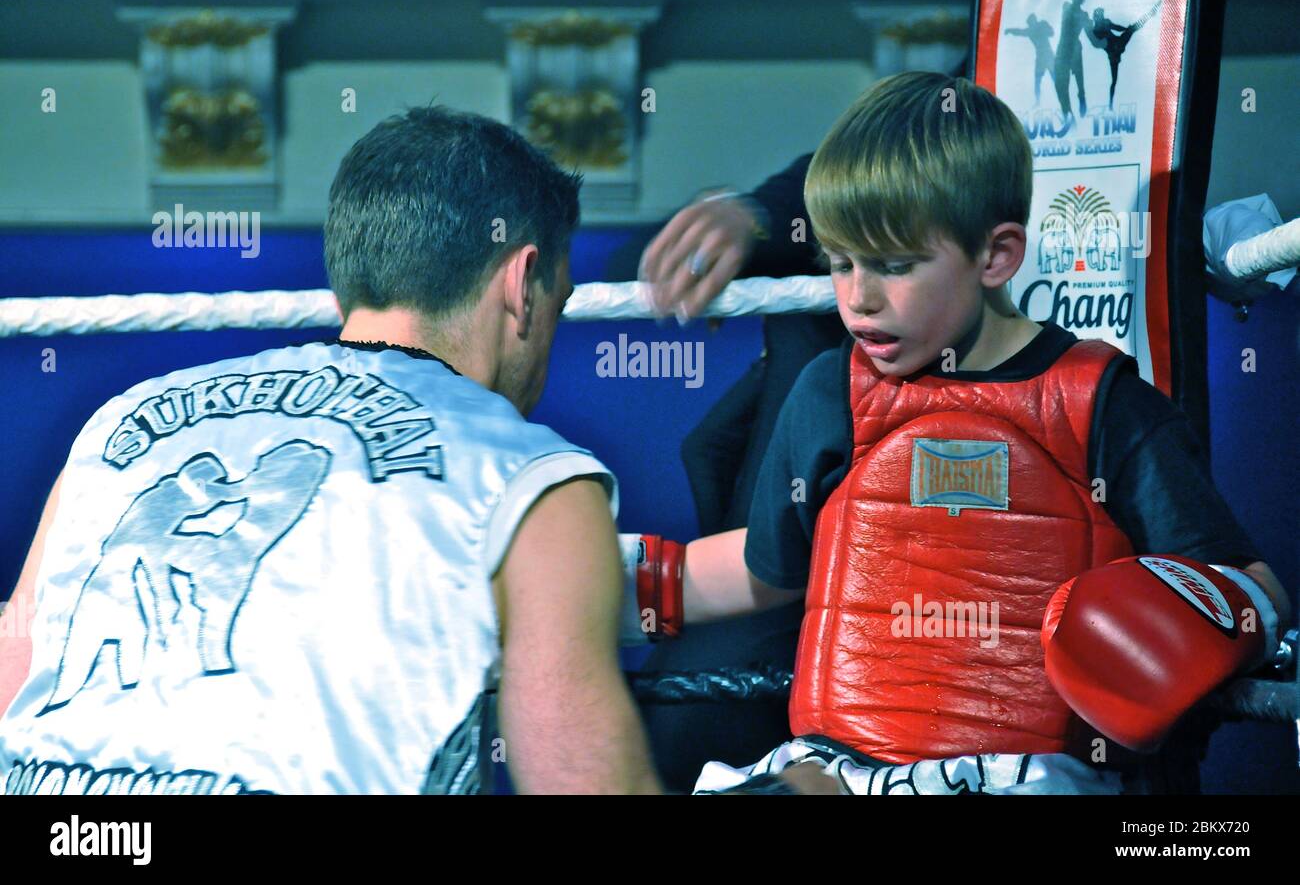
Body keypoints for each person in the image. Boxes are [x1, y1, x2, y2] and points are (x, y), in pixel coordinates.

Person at [634, 72, 1290, 793]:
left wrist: (1184, 621)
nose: (858, 297)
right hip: (839, 766)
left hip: (1027, 774)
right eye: (842, 262)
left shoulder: (1103, 404)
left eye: (894, 265)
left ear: (996, 255)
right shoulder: (829, 391)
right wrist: (595, 579)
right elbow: (763, 571)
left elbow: (1250, 581)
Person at [0, 106, 663, 795]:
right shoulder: (533, 480)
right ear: (523, 285)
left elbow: (9, 693)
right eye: (558, 300)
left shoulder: (123, 426)